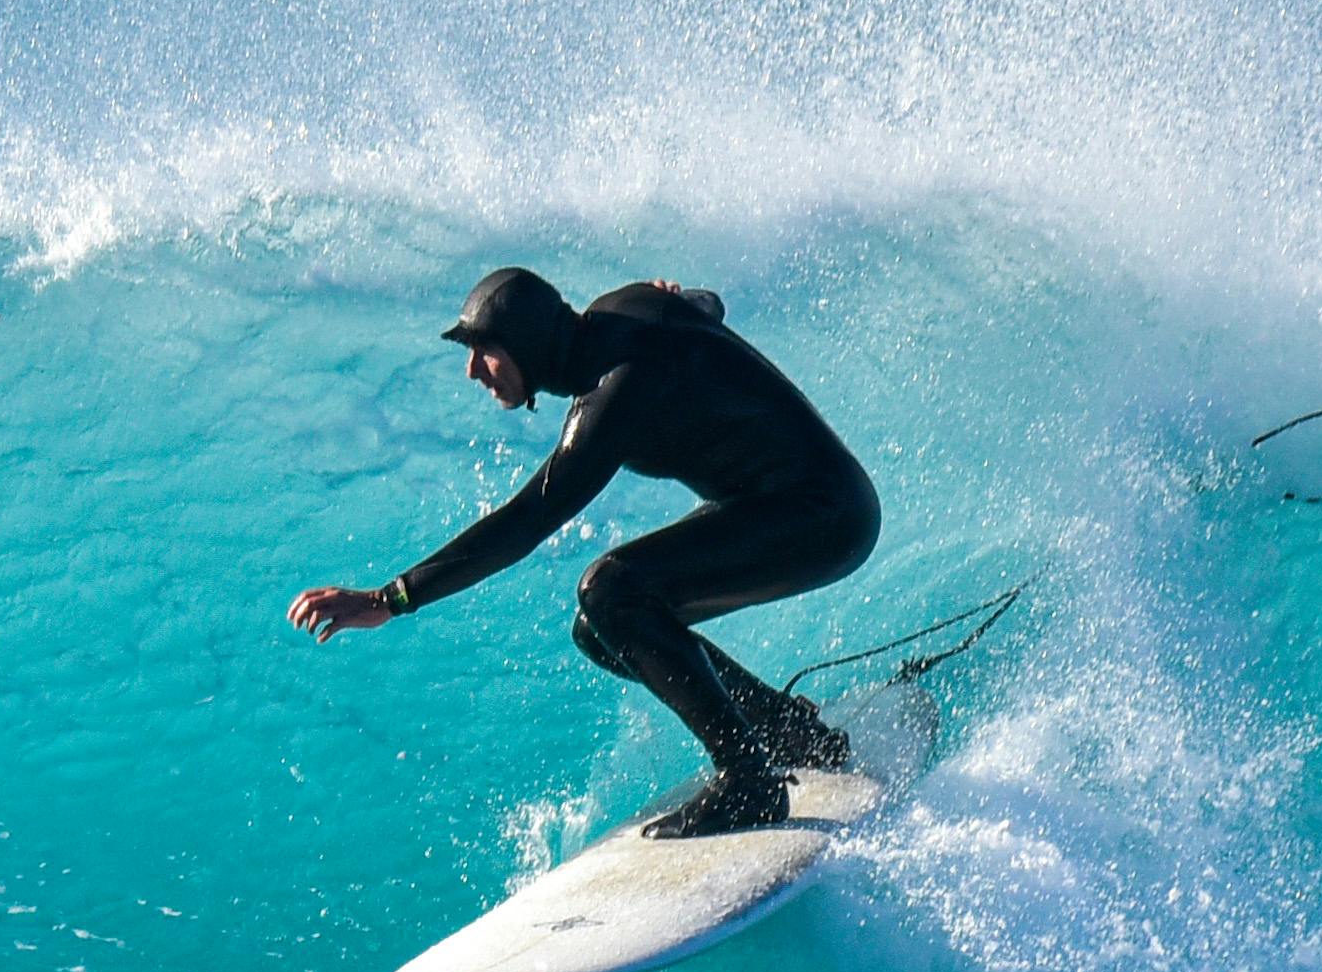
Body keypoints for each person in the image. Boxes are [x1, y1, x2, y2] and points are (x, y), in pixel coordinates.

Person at [286, 267, 880, 835]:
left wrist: (390, 599)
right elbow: (707, 305)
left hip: (822, 518)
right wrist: (675, 298)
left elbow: (525, 522)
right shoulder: (624, 310)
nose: (472, 370)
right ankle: (788, 732)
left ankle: (749, 781)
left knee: (612, 590)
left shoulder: (616, 390)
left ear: (527, 342)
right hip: (792, 504)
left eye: (485, 350)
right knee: (600, 630)